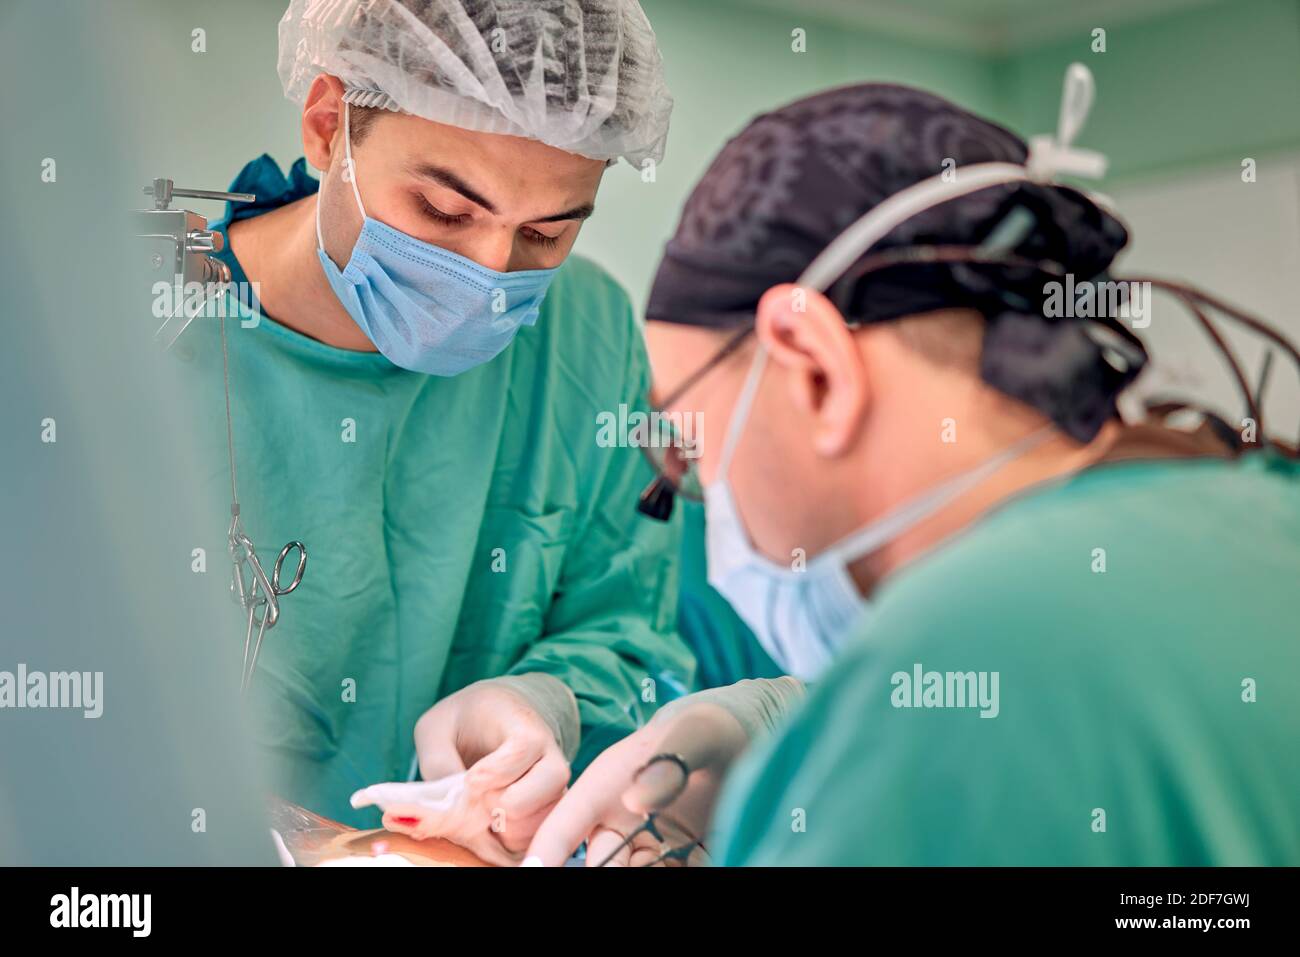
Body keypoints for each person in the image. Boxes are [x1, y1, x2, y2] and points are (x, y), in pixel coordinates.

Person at [524, 77, 1300, 865]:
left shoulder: (977, 645)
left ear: (815, 369)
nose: (694, 484)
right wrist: (814, 733)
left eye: (687, 436)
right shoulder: (1257, 509)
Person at [182, 0, 693, 865]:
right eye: (444, 211)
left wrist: (544, 700)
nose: (490, 273)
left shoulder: (589, 337)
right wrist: (311, 845)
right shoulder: (136, 331)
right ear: (325, 126)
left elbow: (631, 633)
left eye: (545, 232)